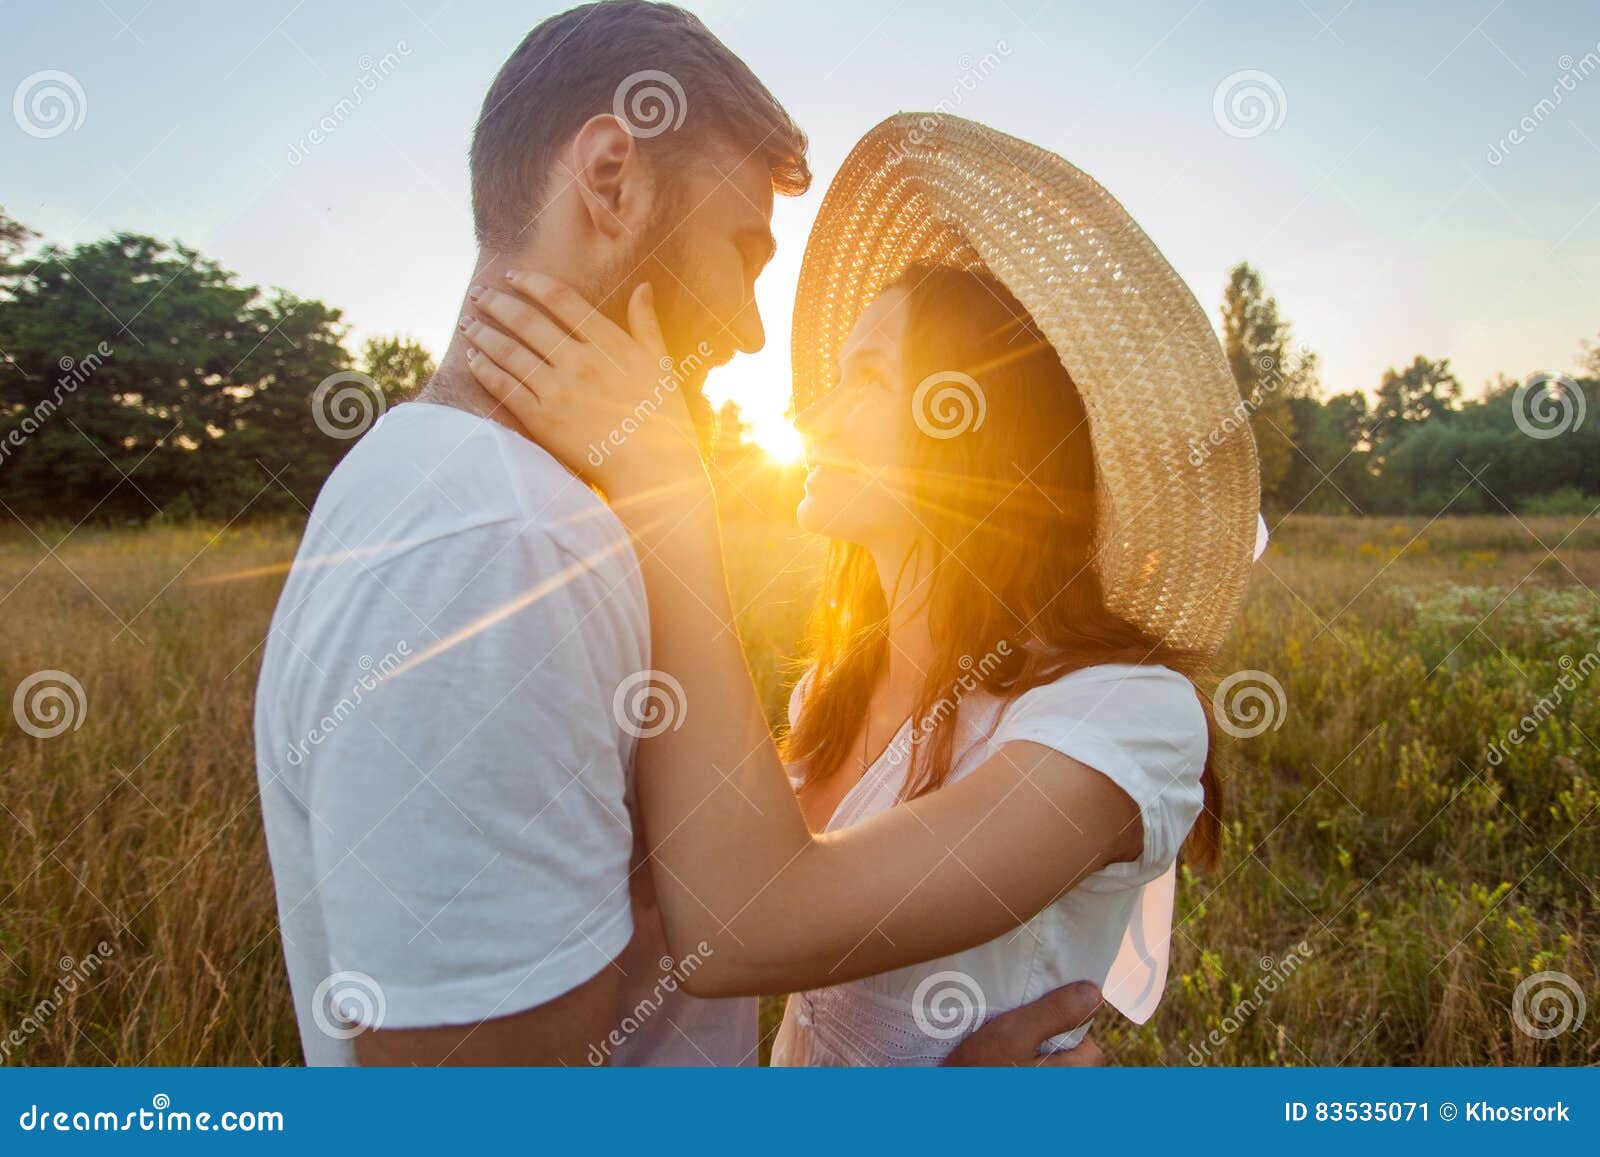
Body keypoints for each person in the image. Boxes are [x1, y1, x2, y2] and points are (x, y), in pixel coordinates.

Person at [254, 3, 1097, 1066]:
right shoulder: (502, 538)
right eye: (744, 253)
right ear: (610, 179)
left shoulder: (450, 490)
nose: (751, 330)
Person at [459, 112, 1264, 1063]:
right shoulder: (834, 691)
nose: (813, 414)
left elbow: (742, 925)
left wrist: (668, 493)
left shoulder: (1126, 715)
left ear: (979, 427)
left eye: (868, 379)